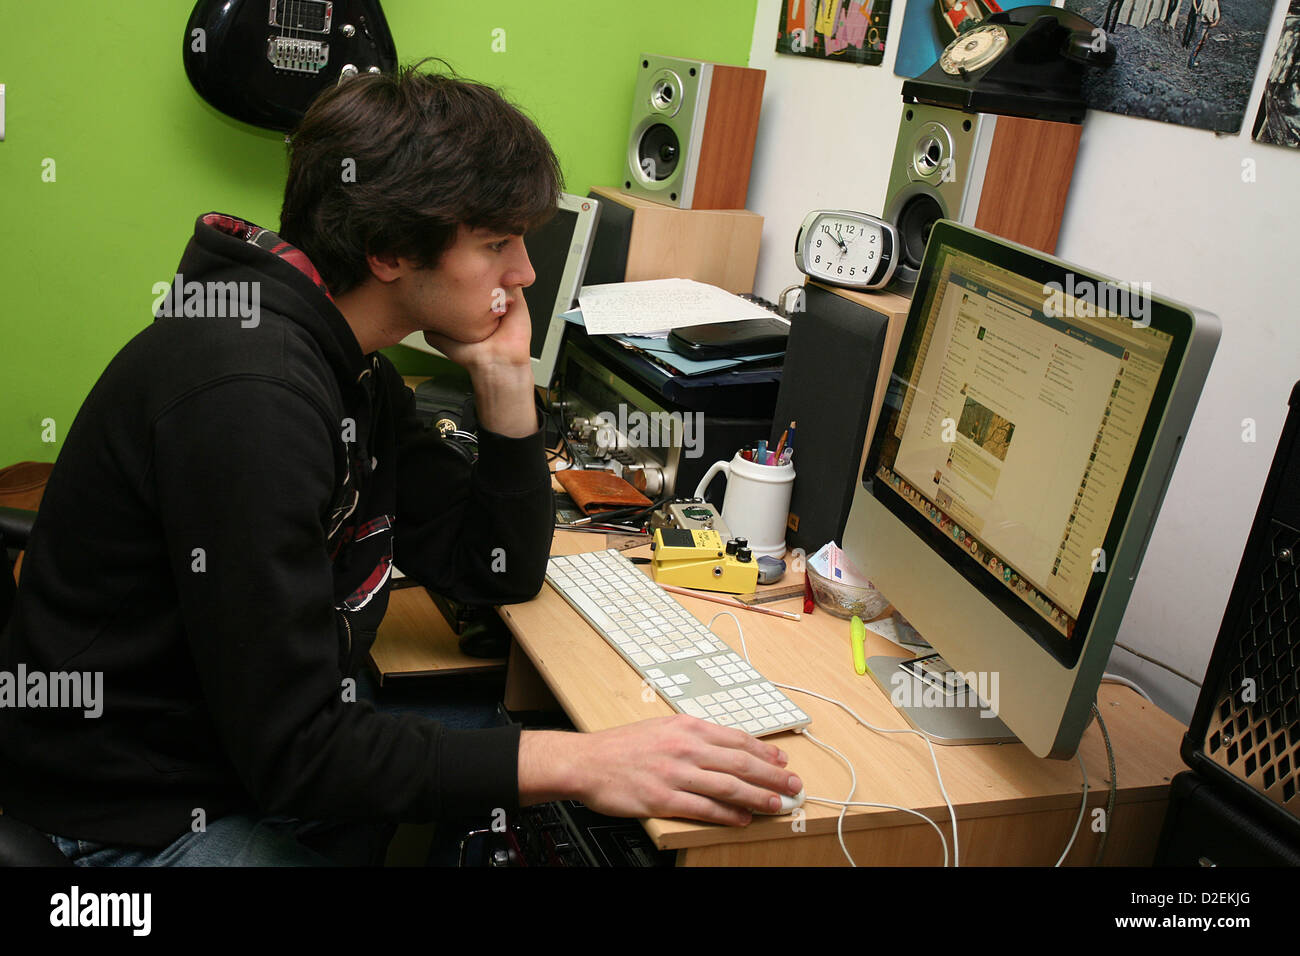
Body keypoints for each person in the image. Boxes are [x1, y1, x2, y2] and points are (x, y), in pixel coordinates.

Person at [0, 63, 801, 866]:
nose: (523, 274)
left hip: (248, 754)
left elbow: (492, 569)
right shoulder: (253, 398)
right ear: (387, 249)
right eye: (496, 245)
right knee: (557, 764)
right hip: (133, 815)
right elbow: (298, 756)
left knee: (525, 754)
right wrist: (584, 766)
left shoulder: (354, 371)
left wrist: (505, 379)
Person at [1187, 0, 1221, 68]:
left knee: (1202, 43)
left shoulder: (1215, 2)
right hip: (1204, 24)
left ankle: (1193, 60)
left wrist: (1215, 23)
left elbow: (1217, 15)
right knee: (1198, 42)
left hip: (1209, 25)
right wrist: (1210, 22)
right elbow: (1203, 12)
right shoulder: (1206, 1)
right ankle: (1190, 62)